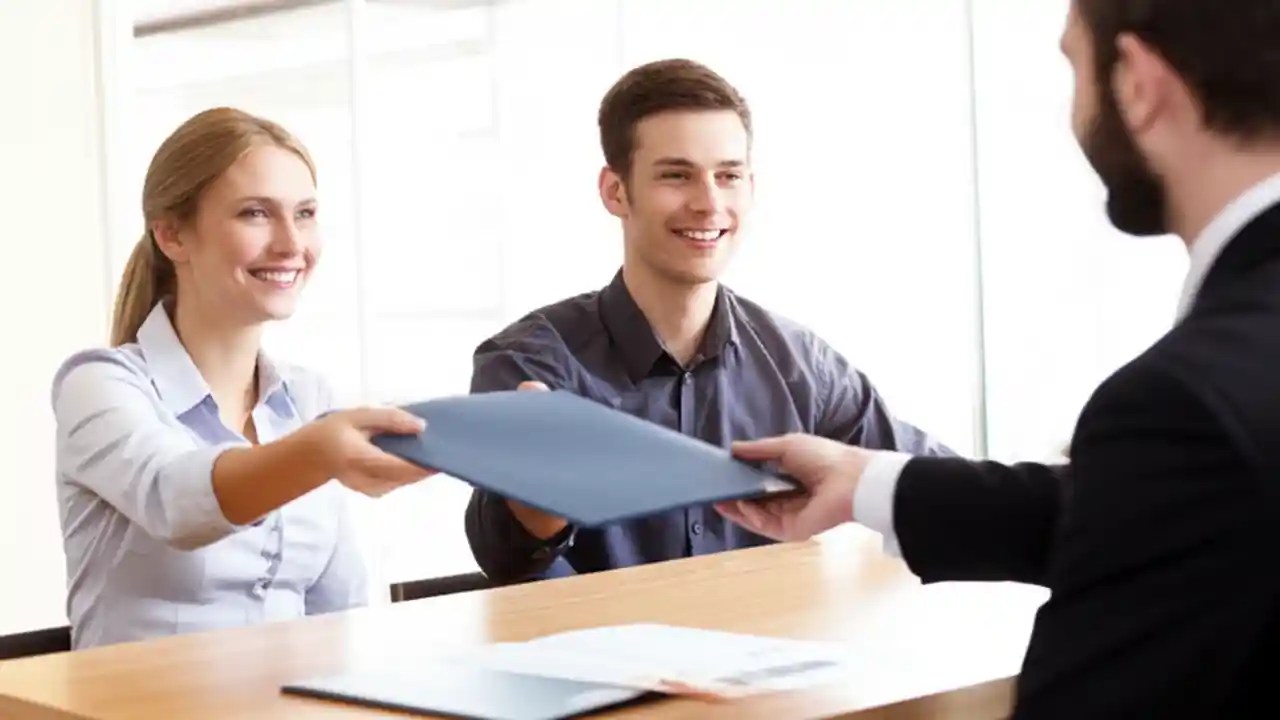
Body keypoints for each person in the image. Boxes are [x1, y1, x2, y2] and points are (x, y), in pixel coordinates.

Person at [717, 1, 1280, 717]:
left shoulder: (1182, 404)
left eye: (1075, 67)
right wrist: (870, 484)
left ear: (1137, 83)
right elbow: (1174, 508)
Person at [464, 59, 952, 585]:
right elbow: (507, 560)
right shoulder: (528, 363)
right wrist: (542, 496)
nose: (709, 203)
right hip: (599, 662)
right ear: (615, 192)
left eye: (728, 176)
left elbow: (932, 486)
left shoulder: (801, 365)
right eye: (676, 175)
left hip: (770, 657)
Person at [51, 107, 435, 649]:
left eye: (304, 214)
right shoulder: (100, 385)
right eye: (256, 214)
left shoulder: (308, 397)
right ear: (172, 235)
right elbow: (176, 502)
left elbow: (338, 610)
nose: (290, 243)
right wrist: (318, 452)